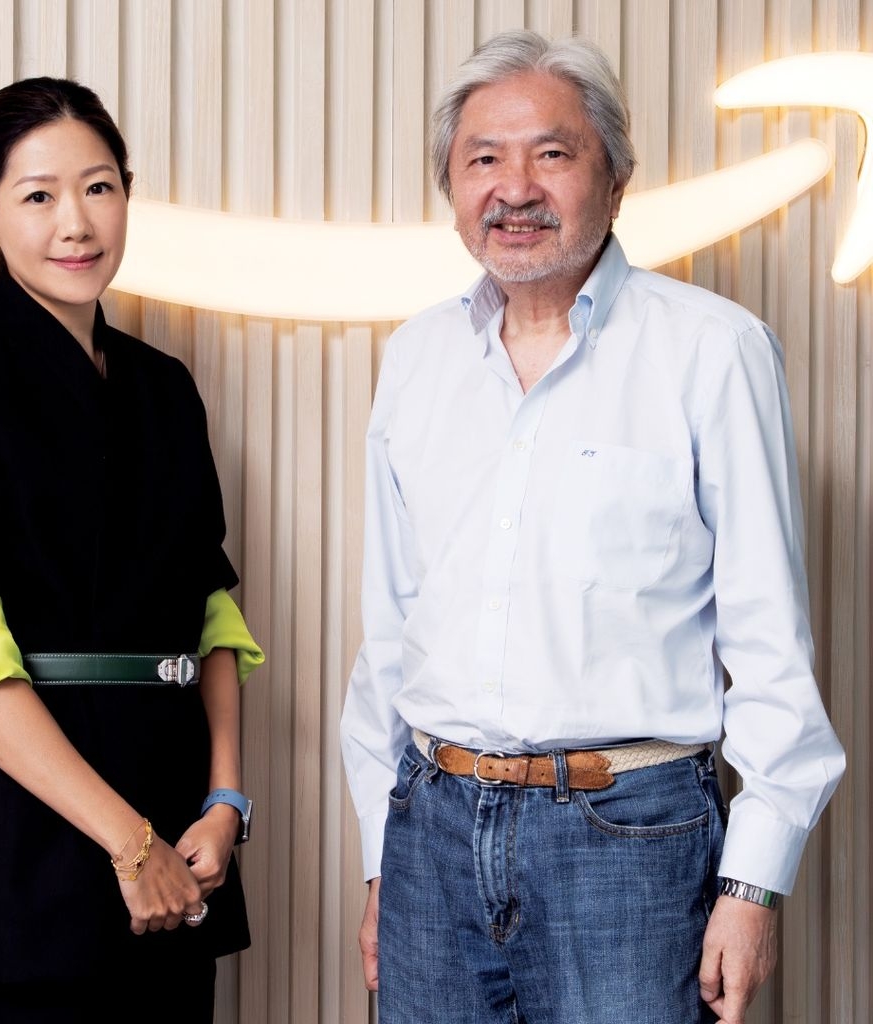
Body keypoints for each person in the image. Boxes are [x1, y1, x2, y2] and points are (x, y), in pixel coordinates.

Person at [340, 29, 845, 1024]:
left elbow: (769, 646)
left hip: (629, 842)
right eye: (483, 158)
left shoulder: (714, 350)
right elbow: (391, 634)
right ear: (450, 186)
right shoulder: (418, 356)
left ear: (615, 178)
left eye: (552, 153)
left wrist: (751, 886)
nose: (514, 188)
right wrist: (380, 859)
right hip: (430, 834)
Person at [0, 77, 263, 1023]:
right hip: (24, 860)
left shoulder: (165, 390)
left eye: (98, 188)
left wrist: (224, 801)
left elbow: (212, 616)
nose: (76, 223)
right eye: (38, 195)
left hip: (184, 844)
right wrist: (129, 844)